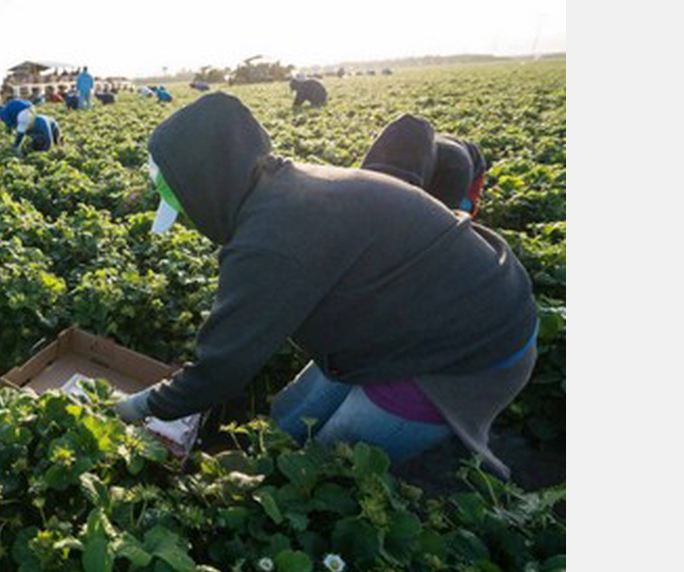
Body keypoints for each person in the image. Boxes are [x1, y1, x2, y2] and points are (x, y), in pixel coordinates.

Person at [113, 93, 537, 479]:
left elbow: (222, 368)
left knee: (324, 466)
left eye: (185, 208)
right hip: (419, 310)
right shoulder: (280, 186)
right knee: (289, 418)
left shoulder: (270, 239)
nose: (191, 221)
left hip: (469, 343)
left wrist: (137, 406)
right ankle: (263, 473)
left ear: (206, 190)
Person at [360, 114, 489, 216]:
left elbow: (446, 222)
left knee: (464, 209)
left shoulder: (455, 168)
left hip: (469, 165)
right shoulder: (374, 165)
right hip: (432, 154)